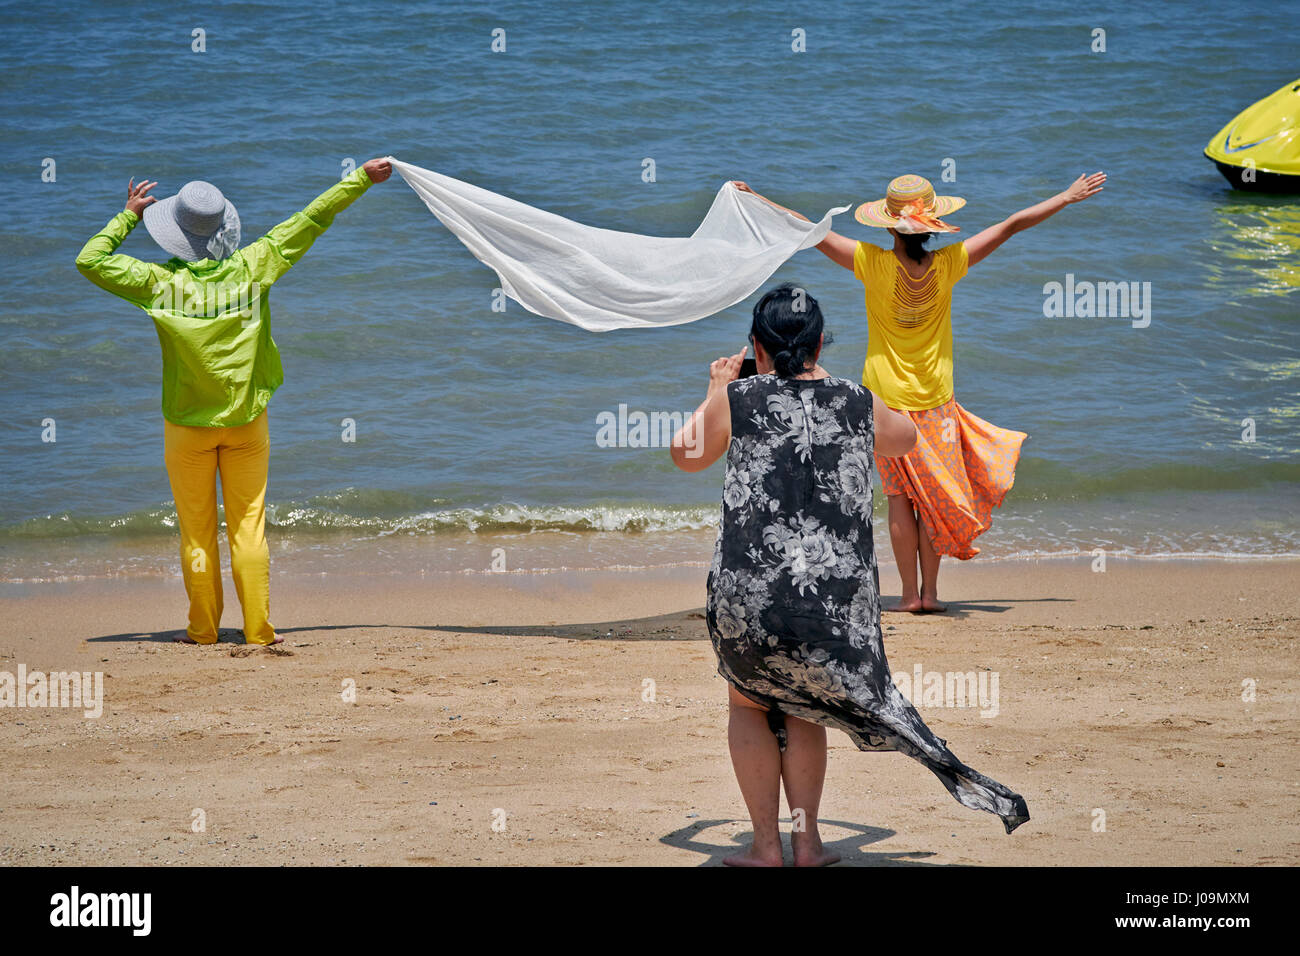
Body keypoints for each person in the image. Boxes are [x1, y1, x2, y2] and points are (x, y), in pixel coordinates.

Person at [670, 284, 1030, 867]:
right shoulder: (856, 400)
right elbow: (906, 438)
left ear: (755, 346)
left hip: (750, 597)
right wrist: (822, 374)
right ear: (817, 343)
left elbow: (685, 454)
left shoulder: (738, 397)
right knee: (809, 705)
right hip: (833, 601)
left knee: (750, 704)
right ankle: (808, 843)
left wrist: (717, 388)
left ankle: (766, 848)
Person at [734, 172, 1105, 611]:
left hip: (884, 403)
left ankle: (909, 595)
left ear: (889, 226)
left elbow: (813, 233)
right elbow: (1010, 225)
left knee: (898, 499)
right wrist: (1065, 195)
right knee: (931, 498)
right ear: (932, 226)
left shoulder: (871, 262)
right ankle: (931, 594)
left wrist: (758, 199)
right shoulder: (949, 264)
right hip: (936, 403)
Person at [75, 158, 393, 645]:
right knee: (249, 529)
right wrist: (361, 178)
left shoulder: (159, 284)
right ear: (225, 229)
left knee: (196, 533)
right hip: (247, 424)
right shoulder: (254, 266)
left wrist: (127, 216)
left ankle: (203, 630)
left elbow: (89, 261)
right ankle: (259, 631)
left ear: (174, 235)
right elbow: (311, 219)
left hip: (186, 428)